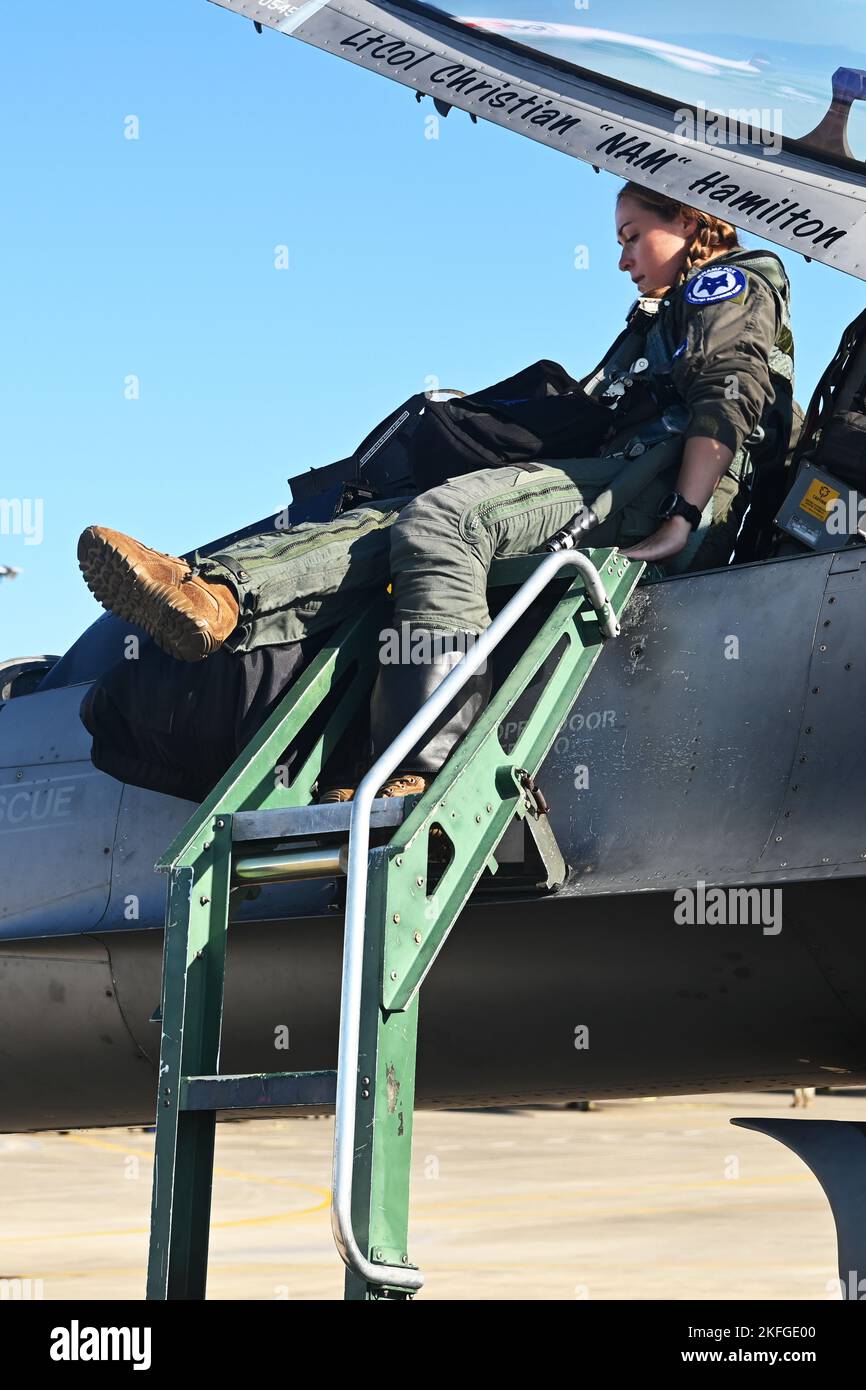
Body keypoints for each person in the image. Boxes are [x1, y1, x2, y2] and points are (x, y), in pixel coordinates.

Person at [78, 180, 795, 803]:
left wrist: (683, 513)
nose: (623, 258)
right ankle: (220, 594)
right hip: (634, 478)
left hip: (664, 488)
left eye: (634, 236)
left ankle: (425, 758)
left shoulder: (728, 283)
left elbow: (727, 398)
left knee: (444, 520)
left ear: (694, 222)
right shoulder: (667, 315)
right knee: (393, 520)